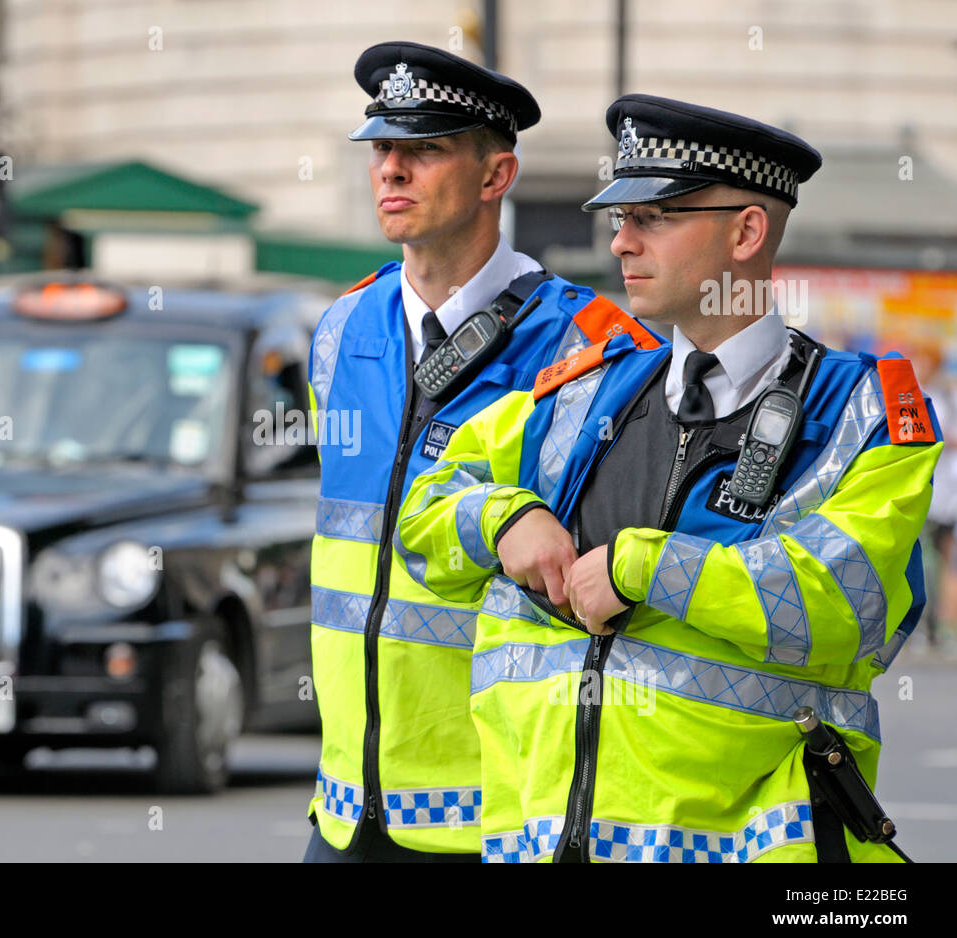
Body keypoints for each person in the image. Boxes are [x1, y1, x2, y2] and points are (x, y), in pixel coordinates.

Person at [397, 94, 942, 862]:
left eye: (652, 218)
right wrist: (502, 517)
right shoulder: (583, 394)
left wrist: (643, 566)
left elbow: (840, 601)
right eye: (619, 219)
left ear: (746, 231)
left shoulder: (862, 413)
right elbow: (423, 505)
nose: (620, 243)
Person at [303, 41, 651, 861]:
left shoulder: (594, 348)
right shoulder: (340, 329)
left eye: (423, 150)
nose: (391, 169)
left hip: (500, 813)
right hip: (346, 807)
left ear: (497, 176)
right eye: (382, 147)